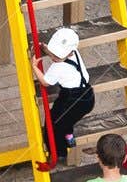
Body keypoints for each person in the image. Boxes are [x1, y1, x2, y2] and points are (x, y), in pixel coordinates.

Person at [36, 27, 94, 160]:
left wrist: (34, 66)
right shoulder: (74, 53)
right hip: (87, 94)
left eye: (57, 55)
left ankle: (59, 152)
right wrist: (46, 49)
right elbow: (58, 55)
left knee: (54, 123)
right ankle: (69, 135)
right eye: (53, 53)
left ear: (67, 53)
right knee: (67, 118)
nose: (53, 58)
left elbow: (45, 82)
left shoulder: (57, 67)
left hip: (72, 99)